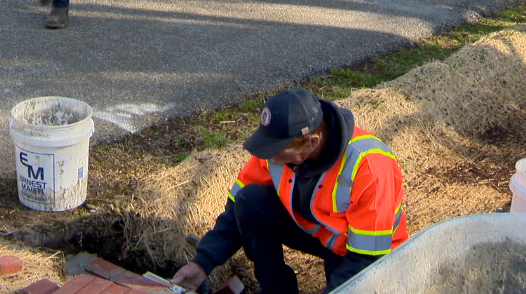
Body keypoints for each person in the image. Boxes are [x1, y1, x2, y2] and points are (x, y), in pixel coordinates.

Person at [171, 88, 408, 294]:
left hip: (363, 252)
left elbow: (367, 257)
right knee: (250, 200)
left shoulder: (369, 165)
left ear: (312, 142)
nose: (271, 158)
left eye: (278, 151)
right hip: (319, 231)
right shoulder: (278, 149)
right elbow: (237, 209)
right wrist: (203, 263)